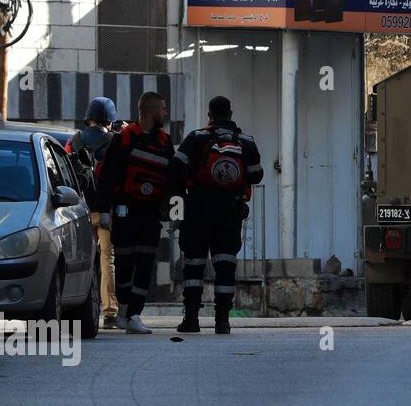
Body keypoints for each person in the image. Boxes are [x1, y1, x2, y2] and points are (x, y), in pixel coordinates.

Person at [169, 96, 263, 335]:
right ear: (230, 113)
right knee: (225, 265)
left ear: (209, 115)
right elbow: (256, 175)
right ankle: (223, 320)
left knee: (194, 264)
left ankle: (191, 318)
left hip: (198, 208)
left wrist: (176, 211)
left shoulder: (197, 137)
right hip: (230, 212)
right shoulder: (246, 142)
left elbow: (176, 170)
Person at [99, 91, 173, 334]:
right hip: (125, 211)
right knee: (123, 263)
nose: (165, 114)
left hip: (150, 213)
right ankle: (123, 313)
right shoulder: (123, 139)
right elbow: (107, 176)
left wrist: (173, 210)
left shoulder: (165, 142)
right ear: (151, 112)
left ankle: (134, 315)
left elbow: (172, 180)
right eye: (162, 109)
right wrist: (105, 211)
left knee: (144, 264)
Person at [66, 97, 120, 328]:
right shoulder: (114, 141)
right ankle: (110, 313)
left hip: (79, 211)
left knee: (81, 261)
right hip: (106, 210)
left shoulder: (73, 141)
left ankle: (79, 307)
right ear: (110, 118)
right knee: (107, 260)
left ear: (88, 117)